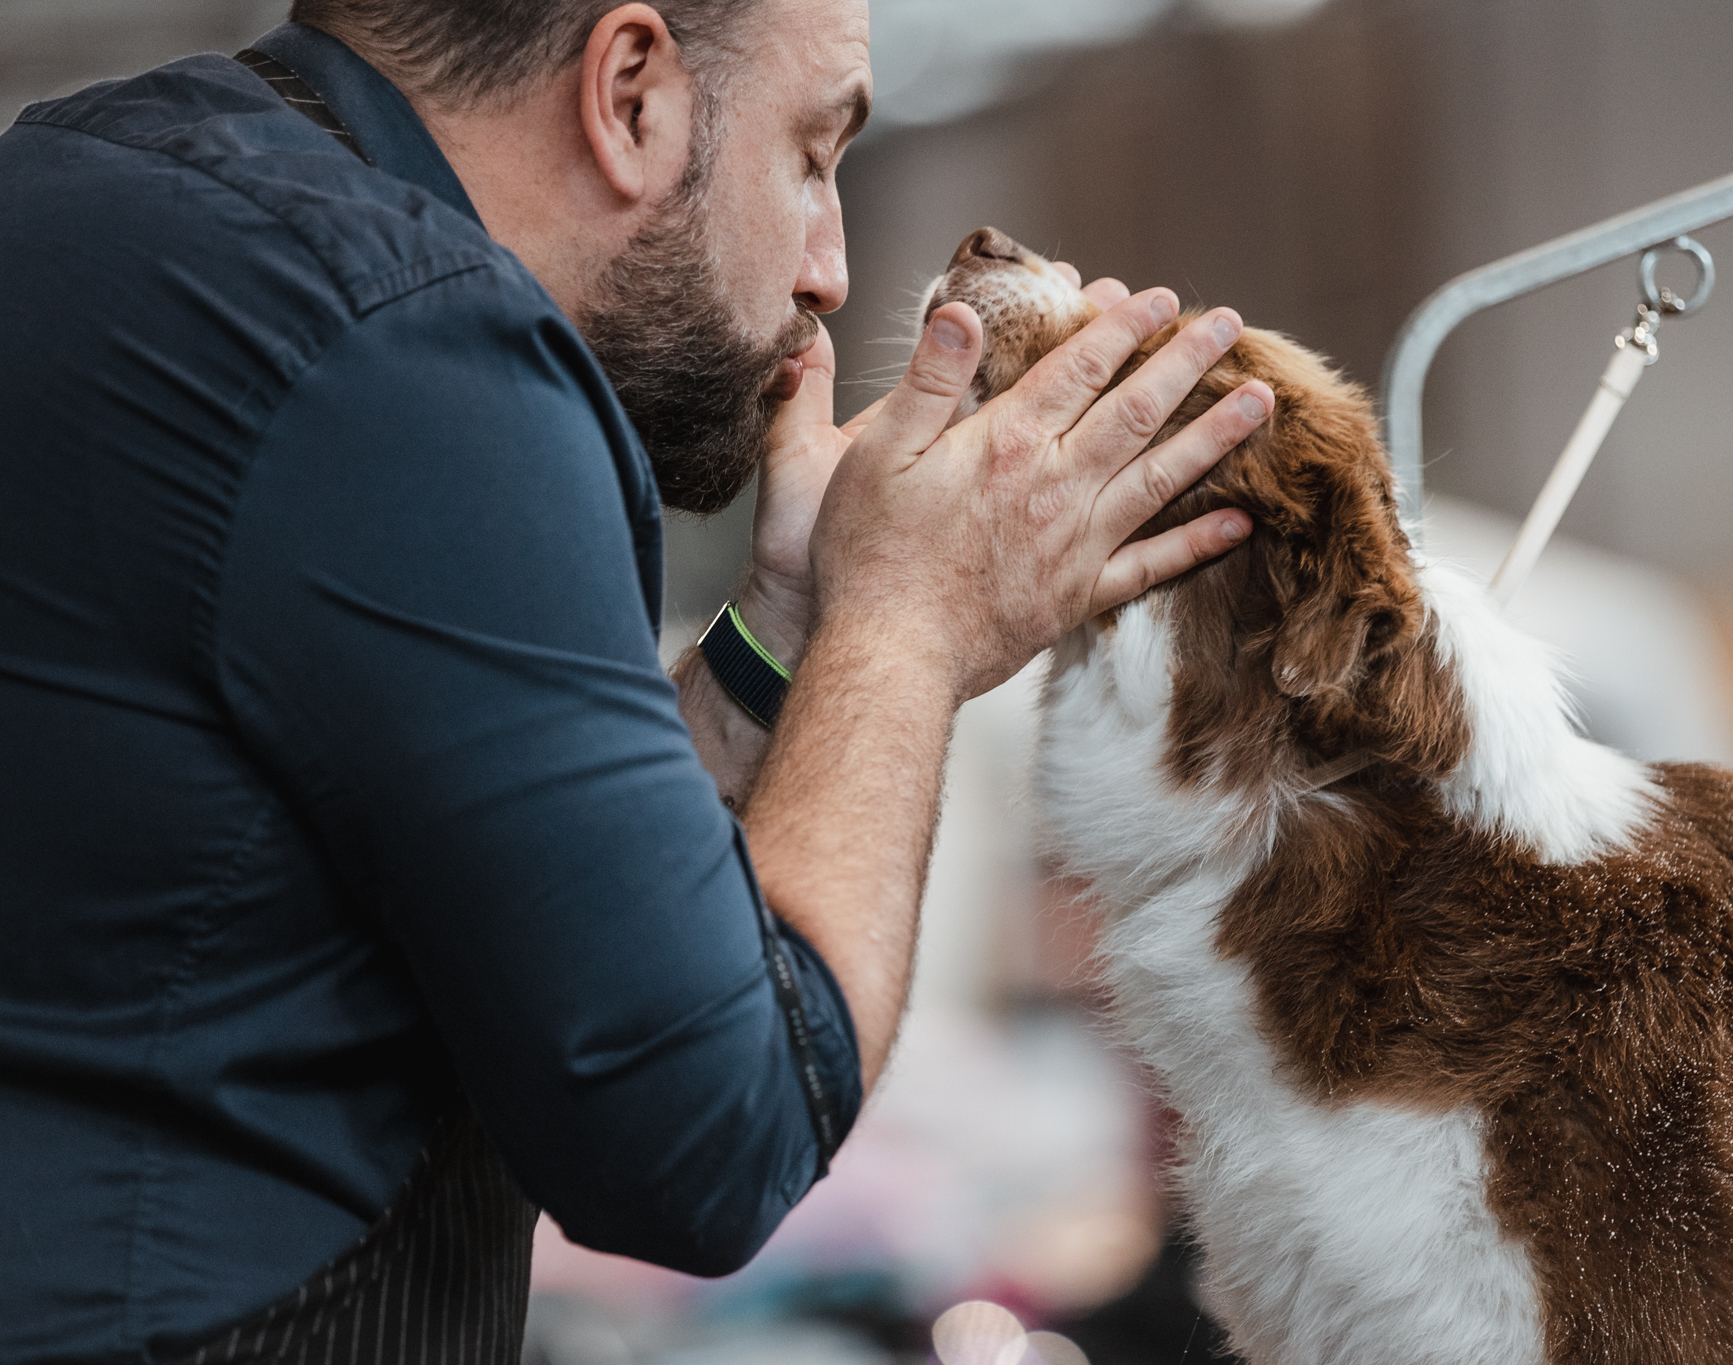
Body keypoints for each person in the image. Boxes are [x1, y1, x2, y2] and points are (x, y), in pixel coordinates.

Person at [0, 0, 1273, 1361]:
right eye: (809, 153)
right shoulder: (414, 345)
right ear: (630, 93)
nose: (829, 268)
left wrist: (786, 632)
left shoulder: (74, 195)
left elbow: (561, 923)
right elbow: (706, 1134)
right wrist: (908, 621)